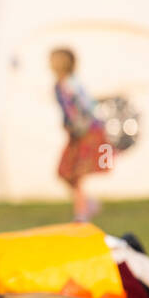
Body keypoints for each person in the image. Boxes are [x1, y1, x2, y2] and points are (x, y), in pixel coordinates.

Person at [49, 47, 111, 222]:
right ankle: (87, 203)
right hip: (75, 134)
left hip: (86, 132)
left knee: (77, 172)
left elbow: (87, 105)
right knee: (65, 172)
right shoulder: (59, 85)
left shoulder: (72, 84)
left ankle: (81, 212)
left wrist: (79, 122)